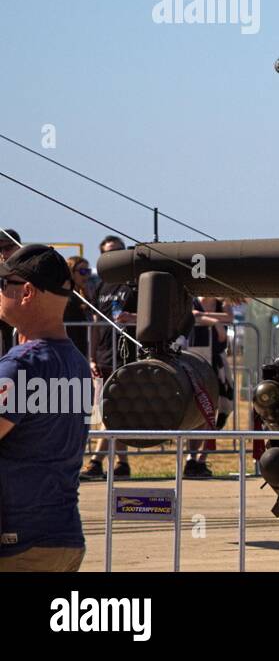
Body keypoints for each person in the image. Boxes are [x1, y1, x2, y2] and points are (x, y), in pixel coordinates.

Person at [0, 244, 93, 571]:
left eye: (2, 285)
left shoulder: (20, 366)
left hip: (19, 544)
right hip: (64, 537)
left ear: (25, 292)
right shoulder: (78, 365)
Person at [81, 235, 133, 481]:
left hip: (124, 355)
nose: (116, 257)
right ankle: (122, 463)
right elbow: (94, 323)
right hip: (101, 355)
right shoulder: (100, 285)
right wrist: (91, 357)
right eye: (110, 253)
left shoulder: (134, 284)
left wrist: (131, 318)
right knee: (109, 412)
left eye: (119, 252)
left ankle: (95, 462)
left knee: (111, 411)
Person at [182, 297, 234, 479]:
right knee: (197, 411)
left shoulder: (223, 301)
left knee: (215, 411)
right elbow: (192, 316)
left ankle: (202, 460)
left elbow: (229, 317)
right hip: (195, 362)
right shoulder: (193, 300)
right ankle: (191, 458)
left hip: (216, 363)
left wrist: (212, 318)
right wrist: (215, 321)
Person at [62, 256, 96, 362]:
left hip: (82, 350)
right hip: (70, 351)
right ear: (71, 273)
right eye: (82, 271)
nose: (86, 275)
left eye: (88, 271)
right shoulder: (66, 298)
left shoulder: (85, 295)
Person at [0, 229, 20, 355]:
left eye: (7, 248)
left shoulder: (30, 274)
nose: (2, 253)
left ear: (18, 248)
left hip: (23, 338)